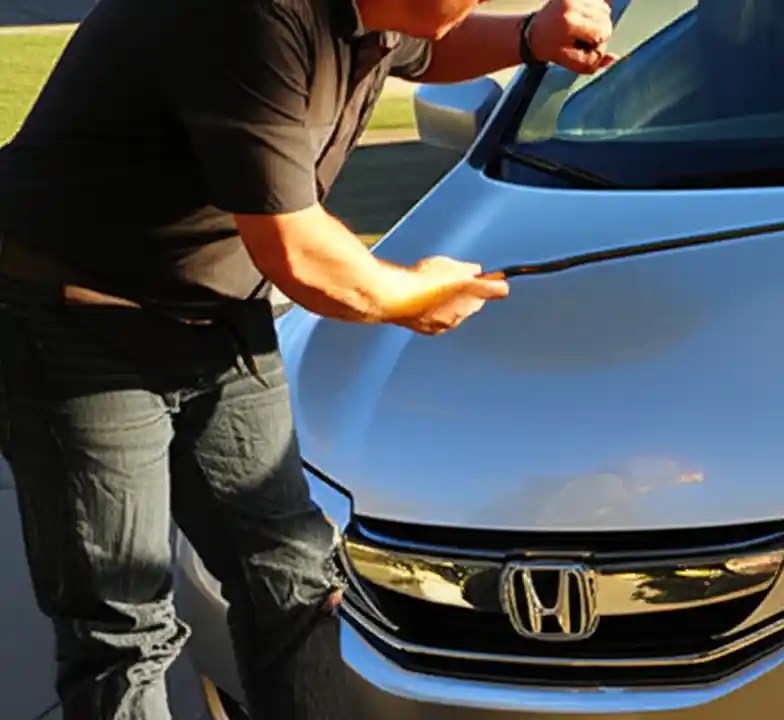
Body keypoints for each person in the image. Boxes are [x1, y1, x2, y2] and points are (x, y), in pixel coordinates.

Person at [0, 0, 616, 716]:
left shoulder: (381, 13)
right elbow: (297, 254)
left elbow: (428, 47)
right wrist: (412, 296)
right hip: (72, 316)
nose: (478, 1)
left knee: (290, 576)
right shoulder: (247, 18)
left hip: (214, 312)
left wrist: (526, 37)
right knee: (123, 621)